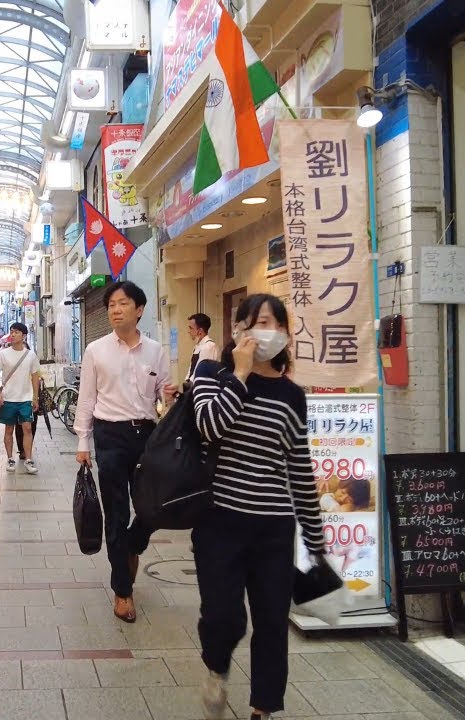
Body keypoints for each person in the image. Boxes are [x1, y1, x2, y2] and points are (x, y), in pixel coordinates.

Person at [189, 293, 326, 720]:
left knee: (271, 622)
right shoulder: (212, 373)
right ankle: (217, 667)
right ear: (237, 333)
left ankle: (263, 707)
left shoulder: (292, 395)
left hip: (273, 527)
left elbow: (298, 464)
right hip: (219, 522)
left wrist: (315, 534)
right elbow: (210, 427)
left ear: (285, 332)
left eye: (268, 323)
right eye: (249, 323)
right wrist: (241, 375)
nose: (258, 331)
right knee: (224, 618)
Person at [74, 280, 175, 623]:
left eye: (123, 304)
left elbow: (164, 397)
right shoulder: (96, 350)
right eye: (112, 305)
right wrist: (83, 443)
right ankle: (122, 591)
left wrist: (171, 395)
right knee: (116, 514)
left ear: (139, 309)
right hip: (110, 437)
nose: (115, 310)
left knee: (153, 507)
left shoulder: (156, 351)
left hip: (146, 436)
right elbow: (86, 399)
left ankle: (133, 544)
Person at [0, 322, 41, 474]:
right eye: (11, 331)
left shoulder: (31, 355)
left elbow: (35, 377)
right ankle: (10, 458)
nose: (12, 334)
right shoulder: (3, 354)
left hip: (25, 398)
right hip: (8, 399)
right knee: (9, 429)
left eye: (16, 332)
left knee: (27, 428)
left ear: (24, 335)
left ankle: (28, 459)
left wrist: (35, 397)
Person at [186, 312, 220, 382]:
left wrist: (191, 383)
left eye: (191, 328)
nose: (188, 331)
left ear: (200, 331)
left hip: (202, 386)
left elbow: (202, 372)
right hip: (192, 384)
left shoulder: (209, 346)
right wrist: (187, 380)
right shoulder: (197, 346)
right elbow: (191, 368)